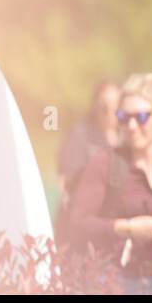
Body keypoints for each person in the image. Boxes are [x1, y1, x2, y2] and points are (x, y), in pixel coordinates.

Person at [69, 73, 152, 294]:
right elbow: (76, 224)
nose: (131, 126)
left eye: (141, 117)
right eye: (124, 117)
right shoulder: (104, 163)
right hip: (109, 282)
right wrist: (128, 228)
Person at [54, 78, 120, 247]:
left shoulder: (128, 138)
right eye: (103, 106)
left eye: (114, 107)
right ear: (94, 105)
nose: (108, 112)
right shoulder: (79, 135)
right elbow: (65, 182)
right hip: (80, 231)